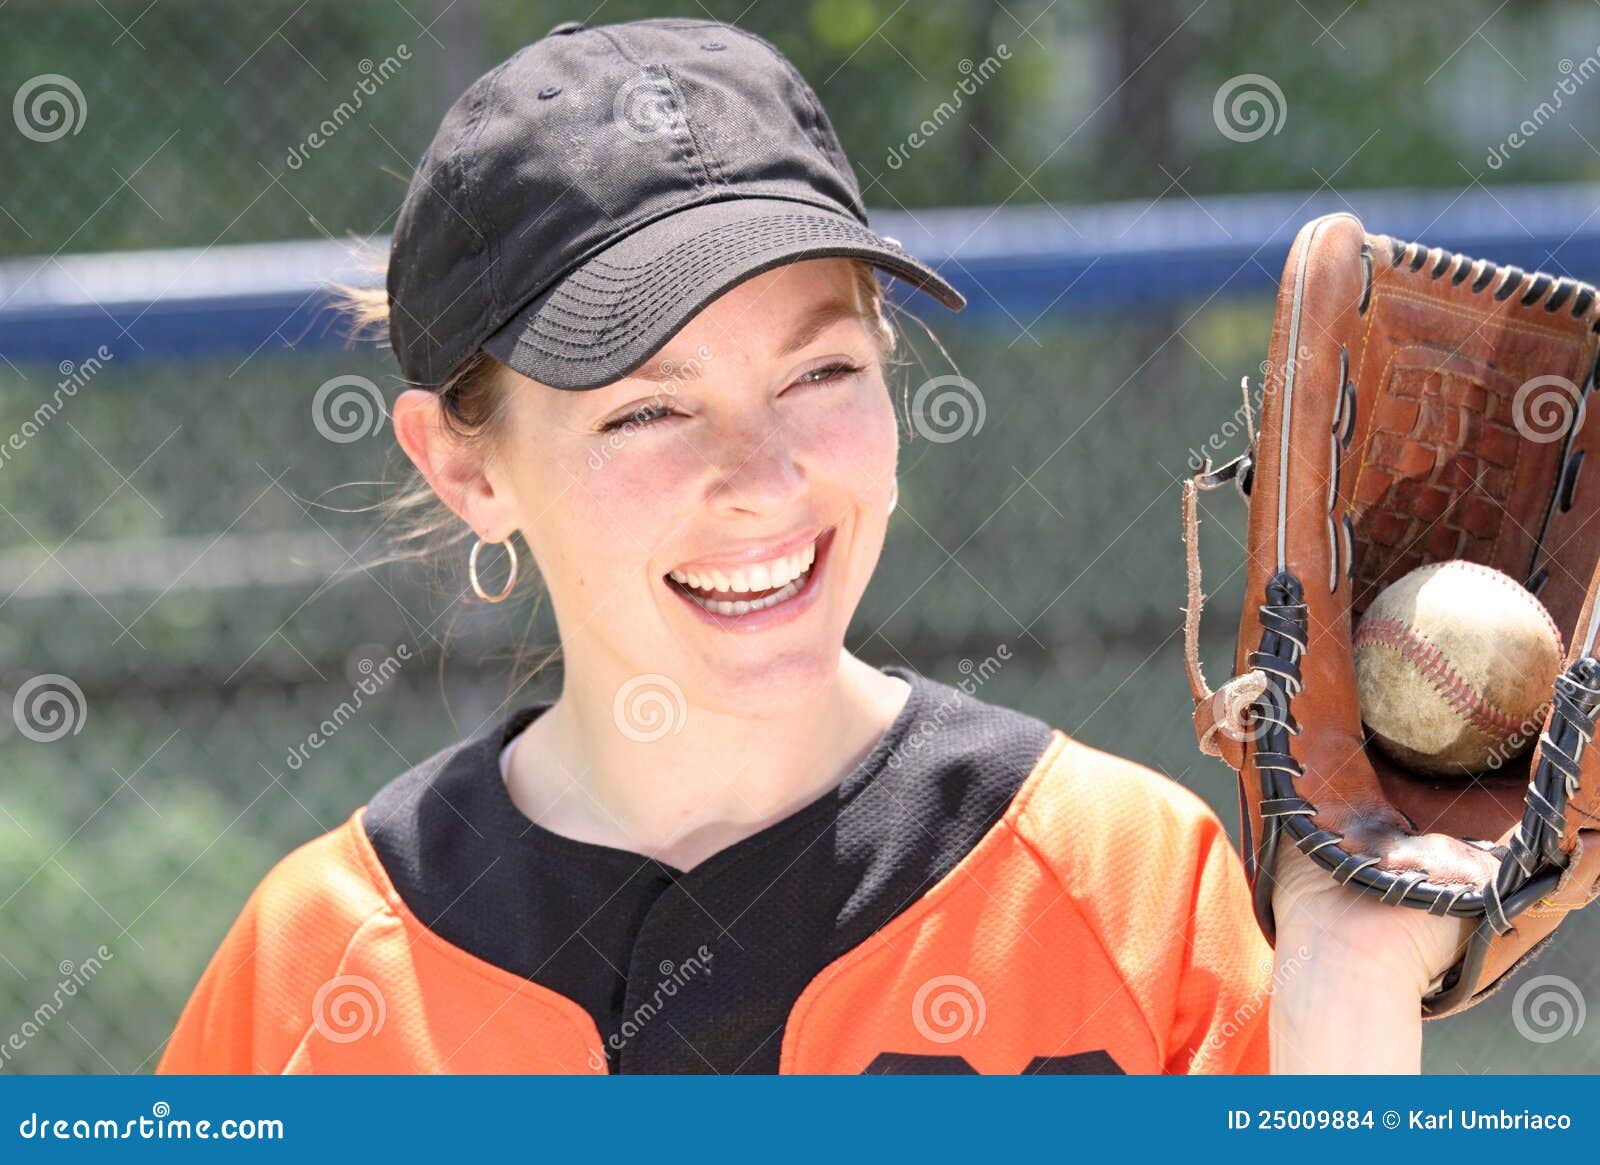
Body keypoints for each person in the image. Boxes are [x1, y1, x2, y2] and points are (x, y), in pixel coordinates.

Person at [155, 16, 1466, 1076]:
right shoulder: (314, 972)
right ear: (462, 464)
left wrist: (1347, 1004)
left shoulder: (1128, 886)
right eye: (649, 406)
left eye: (820, 369)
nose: (764, 478)